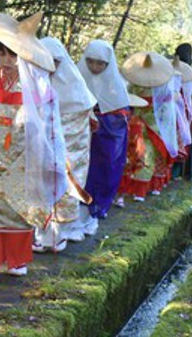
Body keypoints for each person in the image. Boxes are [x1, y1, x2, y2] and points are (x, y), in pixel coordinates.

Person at [0, 12, 70, 281]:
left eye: (12, 55)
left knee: (18, 208)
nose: (7, 61)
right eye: (2, 54)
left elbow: (49, 121)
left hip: (21, 156)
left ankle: (16, 259)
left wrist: (45, 154)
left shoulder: (37, 84)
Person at [35, 37, 95, 251]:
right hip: (40, 146)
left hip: (67, 149)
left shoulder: (76, 91)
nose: (51, 66)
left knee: (64, 180)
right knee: (39, 184)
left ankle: (57, 236)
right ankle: (40, 234)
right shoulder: (33, 79)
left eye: (56, 61)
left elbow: (75, 127)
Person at [77, 40, 132, 220]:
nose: (94, 67)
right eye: (90, 61)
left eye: (100, 63)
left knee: (105, 171)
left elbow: (121, 113)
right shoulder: (76, 79)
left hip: (106, 137)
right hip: (80, 135)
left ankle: (97, 210)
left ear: (108, 64)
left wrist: (101, 118)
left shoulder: (117, 85)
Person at [118, 52, 176, 201]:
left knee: (141, 156)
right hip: (144, 125)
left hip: (144, 125)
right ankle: (136, 189)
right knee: (139, 155)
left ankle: (136, 189)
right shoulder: (134, 85)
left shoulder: (135, 86)